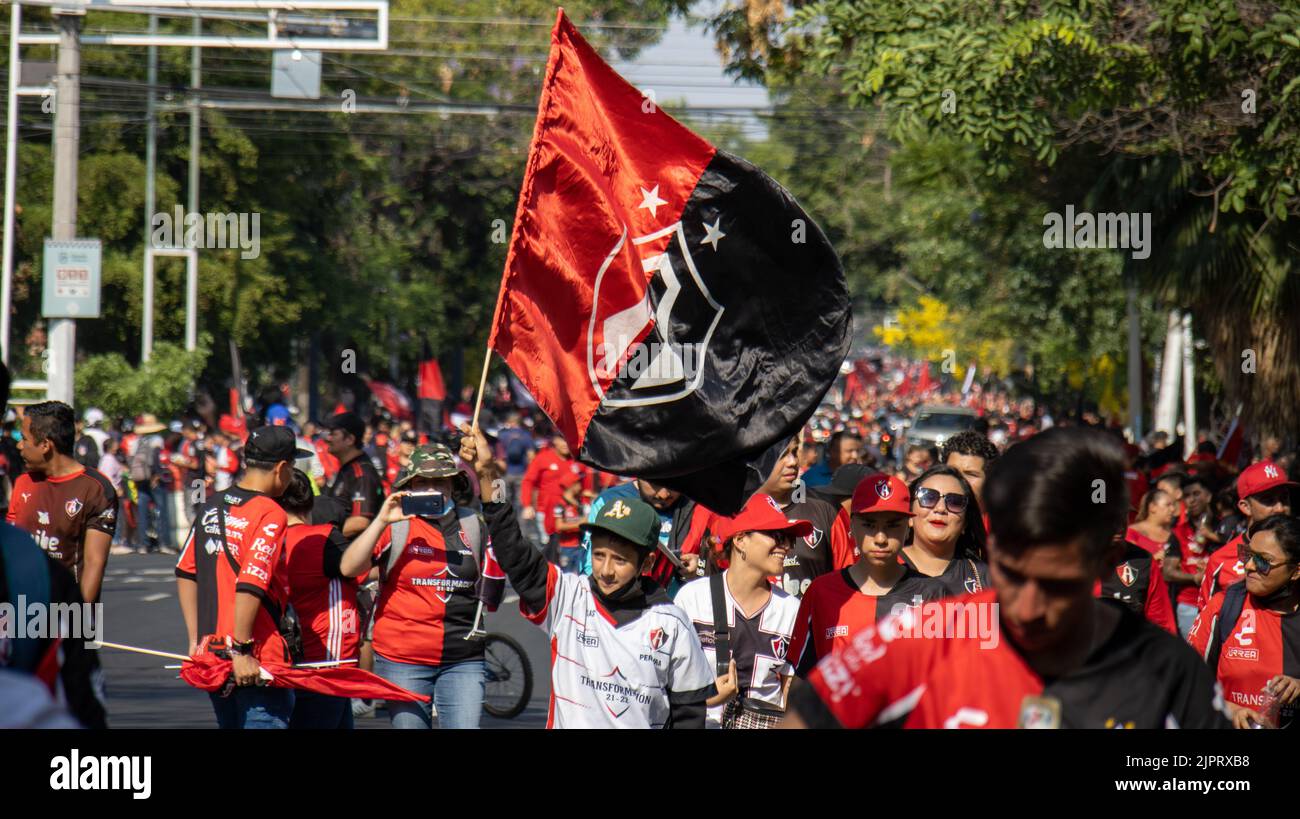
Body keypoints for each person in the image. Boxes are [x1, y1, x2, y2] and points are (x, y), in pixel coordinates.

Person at [781, 427, 1229, 729]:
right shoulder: (926, 635)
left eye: (1056, 584)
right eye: (1012, 577)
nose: (1029, 607)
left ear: (1103, 560)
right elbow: (804, 715)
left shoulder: (1166, 669)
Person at [460, 424, 714, 728]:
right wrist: (488, 474)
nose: (606, 570)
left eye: (620, 560)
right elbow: (513, 550)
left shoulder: (673, 624)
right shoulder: (568, 598)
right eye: (599, 555)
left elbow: (690, 716)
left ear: (646, 564)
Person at [337, 444, 491, 729]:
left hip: (463, 658)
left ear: (453, 485)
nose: (432, 489)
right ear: (409, 486)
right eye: (423, 482)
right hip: (402, 659)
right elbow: (349, 567)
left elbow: (499, 565)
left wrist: (488, 471)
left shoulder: (473, 523)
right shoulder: (396, 524)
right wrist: (381, 520)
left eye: (440, 482)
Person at [175, 426, 312, 729]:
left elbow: (185, 571)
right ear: (282, 468)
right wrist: (242, 649)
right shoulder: (270, 512)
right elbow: (251, 583)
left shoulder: (212, 504)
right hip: (255, 658)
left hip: (212, 655)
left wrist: (195, 639)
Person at [675, 494, 810, 728]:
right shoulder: (692, 598)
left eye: (789, 539)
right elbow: (668, 686)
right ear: (740, 539)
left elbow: (790, 694)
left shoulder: (792, 610)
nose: (786, 546)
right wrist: (707, 699)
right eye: (776, 536)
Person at [789, 473, 945, 675]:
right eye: (869, 525)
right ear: (851, 526)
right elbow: (798, 679)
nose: (880, 538)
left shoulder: (935, 594)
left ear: (907, 528)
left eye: (892, 525)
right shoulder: (821, 592)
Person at [1189, 514, 1300, 729]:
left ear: (1296, 571)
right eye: (1247, 555)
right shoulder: (1223, 607)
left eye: (1263, 561)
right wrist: (1232, 710)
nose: (1248, 566)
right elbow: (1187, 682)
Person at [8, 401, 118, 605]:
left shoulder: (96, 489)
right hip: (18, 610)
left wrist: (76, 621)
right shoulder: (24, 482)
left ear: (45, 445)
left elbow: (95, 563)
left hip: (67, 615)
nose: (19, 445)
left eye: (24, 439)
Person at [279, 469, 359, 730]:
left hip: (285, 655)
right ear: (309, 502)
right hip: (325, 658)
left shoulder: (267, 540)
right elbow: (359, 567)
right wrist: (381, 523)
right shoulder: (323, 537)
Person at [754, 437, 855, 598]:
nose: (792, 462)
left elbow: (849, 582)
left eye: (794, 452)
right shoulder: (731, 512)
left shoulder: (826, 508)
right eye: (782, 454)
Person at [578, 477, 715, 595]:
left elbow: (721, 561)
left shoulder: (700, 505)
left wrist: (702, 566)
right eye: (655, 483)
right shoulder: (610, 502)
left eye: (674, 484)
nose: (664, 494)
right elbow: (589, 567)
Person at [1198, 460, 1295, 609]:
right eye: (1269, 500)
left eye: (1284, 498)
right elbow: (1206, 624)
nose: (1280, 508)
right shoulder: (1221, 561)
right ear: (1246, 507)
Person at [900, 464, 988, 597]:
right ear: (910, 515)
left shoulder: (987, 580)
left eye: (955, 502)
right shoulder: (878, 568)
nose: (940, 509)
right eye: (928, 497)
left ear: (965, 523)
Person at [1164, 473, 1215, 636]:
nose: (1191, 500)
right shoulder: (1178, 532)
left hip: (1221, 602)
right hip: (1189, 604)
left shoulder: (1225, 528)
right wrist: (1194, 578)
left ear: (1208, 496)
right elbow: (1168, 572)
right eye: (1186, 496)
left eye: (1196, 494)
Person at [323, 412, 386, 538]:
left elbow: (360, 522)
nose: (327, 438)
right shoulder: (347, 468)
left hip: (351, 552)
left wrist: (322, 536)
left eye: (333, 434)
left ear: (350, 439)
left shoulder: (362, 473)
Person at [519, 431, 584, 545]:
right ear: (555, 440)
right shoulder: (542, 458)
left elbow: (584, 485)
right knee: (547, 547)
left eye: (569, 440)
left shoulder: (577, 461)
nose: (566, 444)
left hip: (569, 515)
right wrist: (527, 505)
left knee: (569, 547)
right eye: (563, 440)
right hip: (546, 512)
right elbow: (528, 481)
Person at [129, 414, 177, 554]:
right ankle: (164, 543)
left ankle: (143, 544)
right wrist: (157, 475)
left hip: (140, 478)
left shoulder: (137, 441)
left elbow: (130, 459)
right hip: (155, 479)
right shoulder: (157, 440)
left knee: (143, 511)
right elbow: (157, 460)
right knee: (162, 511)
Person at [940, 429, 998, 507]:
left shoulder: (1003, 517)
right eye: (952, 472)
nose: (960, 480)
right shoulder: (927, 514)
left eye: (971, 474)